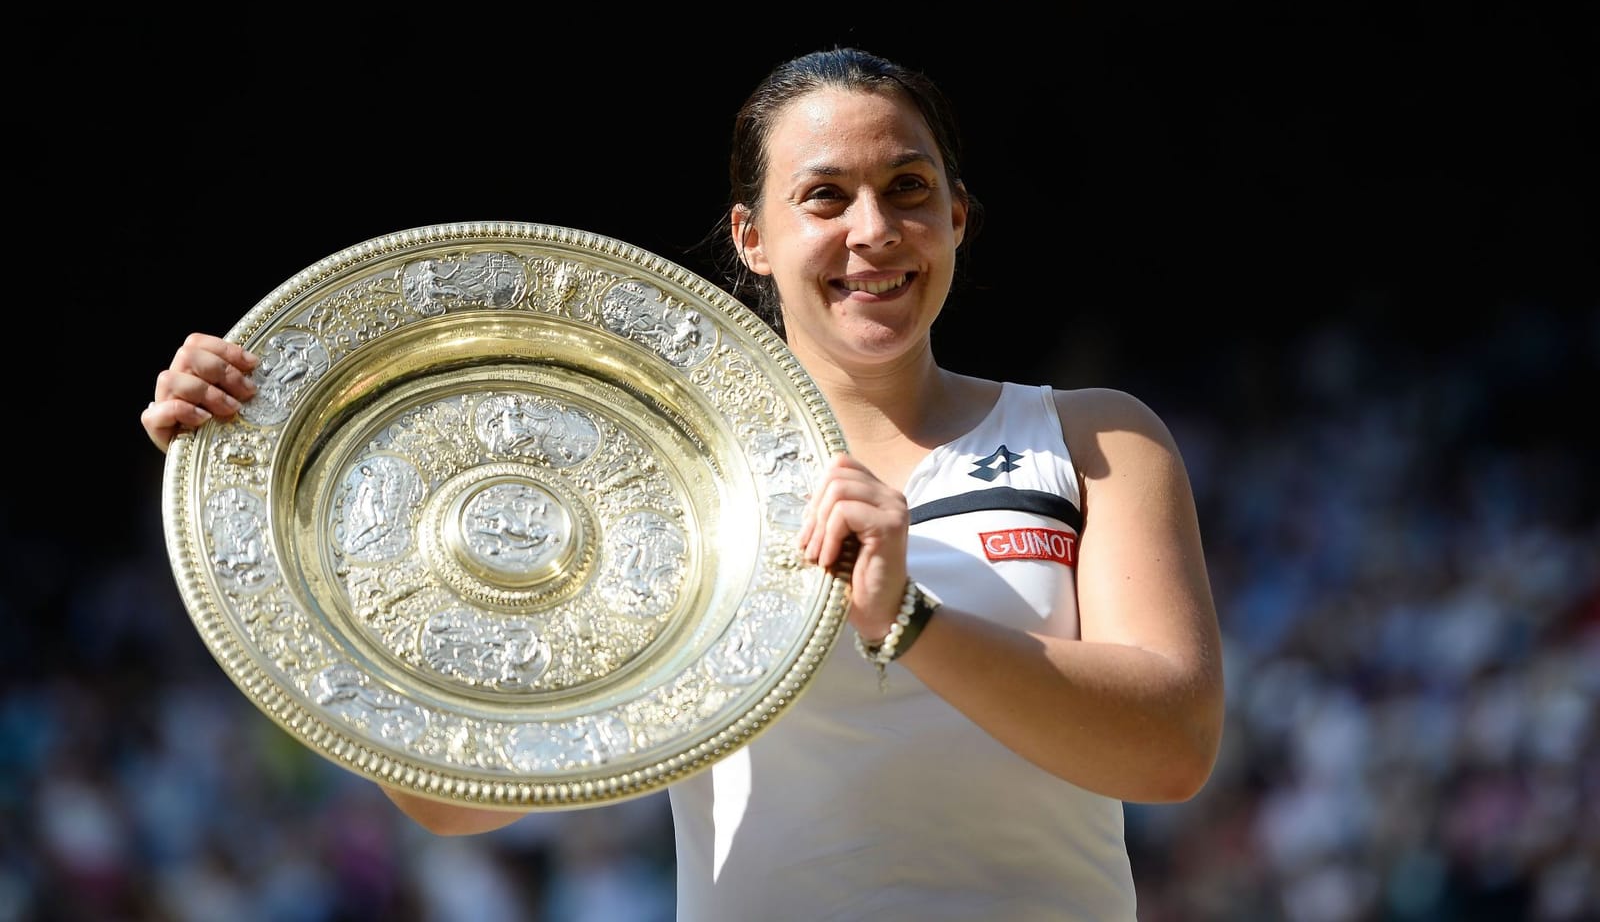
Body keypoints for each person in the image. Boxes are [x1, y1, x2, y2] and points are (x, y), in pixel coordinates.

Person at [142, 46, 1226, 920]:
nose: (872, 231)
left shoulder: (1092, 439)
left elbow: (1172, 749)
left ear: (956, 218)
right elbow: (455, 803)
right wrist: (253, 481)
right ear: (752, 238)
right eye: (824, 196)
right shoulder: (672, 490)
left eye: (908, 188)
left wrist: (909, 621)